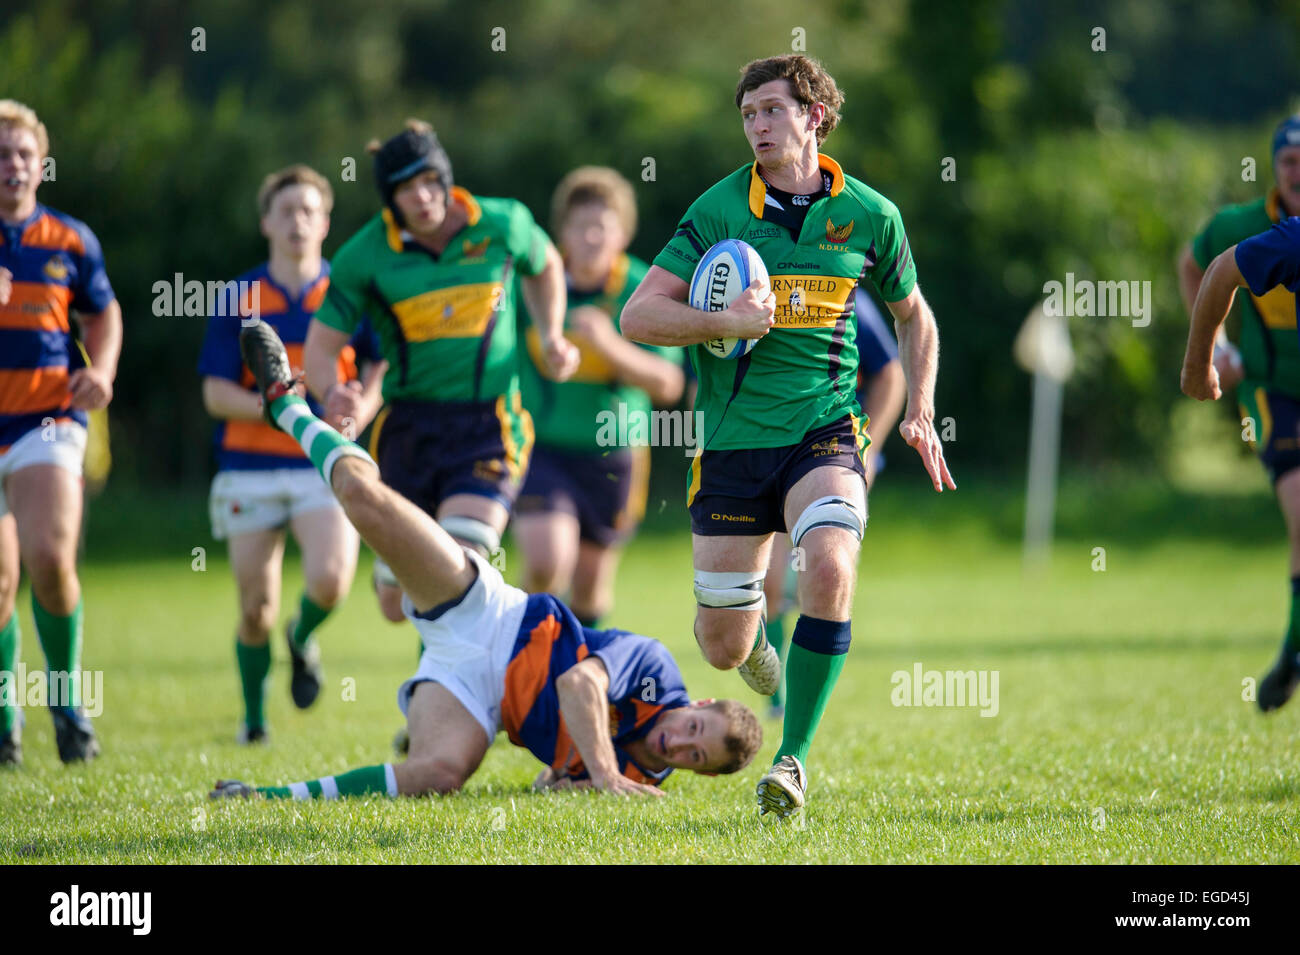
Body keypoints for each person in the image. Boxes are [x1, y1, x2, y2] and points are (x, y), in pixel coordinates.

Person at [211, 321, 761, 800]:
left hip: (480, 699)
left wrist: (573, 785)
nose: (681, 742)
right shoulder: (656, 672)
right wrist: (604, 777)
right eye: (694, 726)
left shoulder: (645, 775)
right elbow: (577, 685)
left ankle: (262, 796)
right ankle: (289, 407)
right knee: (366, 502)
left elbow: (550, 784)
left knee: (439, 773)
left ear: (701, 774)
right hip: (490, 615)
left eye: (694, 755)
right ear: (701, 700)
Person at [622, 55, 954, 818]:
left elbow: (915, 317)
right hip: (733, 445)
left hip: (825, 429)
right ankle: (762, 650)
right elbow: (637, 317)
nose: (758, 127)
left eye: (772, 110)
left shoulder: (871, 215)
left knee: (831, 570)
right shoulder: (716, 211)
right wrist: (724, 323)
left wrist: (920, 408)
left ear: (815, 116)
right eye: (748, 115)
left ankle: (793, 757)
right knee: (724, 648)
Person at [303, 121, 577, 625]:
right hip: (408, 432)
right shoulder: (363, 256)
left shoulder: (504, 222)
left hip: (489, 426)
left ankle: (465, 692)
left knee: (460, 562)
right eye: (406, 188)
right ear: (390, 197)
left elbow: (546, 264)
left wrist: (552, 332)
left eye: (430, 181)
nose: (423, 197)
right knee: (396, 605)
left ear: (446, 178)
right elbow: (320, 349)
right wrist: (332, 392)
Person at [198, 165, 384, 743]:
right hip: (249, 468)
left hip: (321, 464)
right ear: (266, 222)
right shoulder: (240, 296)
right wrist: (280, 407)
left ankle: (301, 639)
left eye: (309, 210)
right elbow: (214, 392)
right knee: (256, 608)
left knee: (330, 582)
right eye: (286, 211)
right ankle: (254, 722)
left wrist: (358, 412)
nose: (298, 221)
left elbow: (379, 367)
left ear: (326, 221)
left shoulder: (347, 291)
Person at [0, 100, 122, 765]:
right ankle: (3, 719)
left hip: (46, 416)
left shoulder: (70, 239)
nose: (12, 166)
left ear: (40, 163)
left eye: (22, 153)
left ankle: (69, 704)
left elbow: (104, 314)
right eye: (0, 155)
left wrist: (99, 370)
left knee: (48, 556)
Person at [514, 167, 685, 627]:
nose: (590, 237)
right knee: (549, 560)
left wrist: (609, 345)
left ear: (623, 232)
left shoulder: (642, 287)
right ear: (561, 231)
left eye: (602, 226)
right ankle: (515, 649)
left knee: (590, 587)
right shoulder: (531, 282)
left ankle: (575, 674)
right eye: (579, 225)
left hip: (615, 455)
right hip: (542, 447)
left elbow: (669, 386)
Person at [1179, 114, 1300, 713]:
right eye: (1289, 161)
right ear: (1275, 166)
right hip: (1274, 393)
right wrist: (1214, 352)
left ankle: (1291, 651)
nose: (1297, 172)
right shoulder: (1257, 228)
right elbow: (1199, 265)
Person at [762, 287, 906, 718]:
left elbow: (890, 374)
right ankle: (774, 696)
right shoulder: (759, 296)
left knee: (822, 575)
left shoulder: (850, 303)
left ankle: (802, 698)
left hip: (834, 458)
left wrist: (871, 445)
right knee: (772, 582)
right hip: (769, 454)